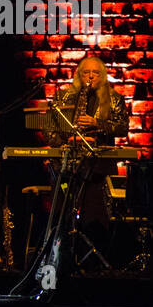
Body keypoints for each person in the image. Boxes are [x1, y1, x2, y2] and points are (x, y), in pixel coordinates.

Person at [49, 56, 130, 257]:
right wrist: (63, 141)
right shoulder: (63, 98)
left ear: (102, 76)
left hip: (98, 167)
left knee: (96, 215)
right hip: (68, 165)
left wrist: (97, 125)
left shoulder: (114, 99)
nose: (91, 77)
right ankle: (61, 256)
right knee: (61, 213)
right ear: (79, 75)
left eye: (96, 73)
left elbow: (123, 128)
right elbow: (49, 129)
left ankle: (95, 256)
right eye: (86, 72)